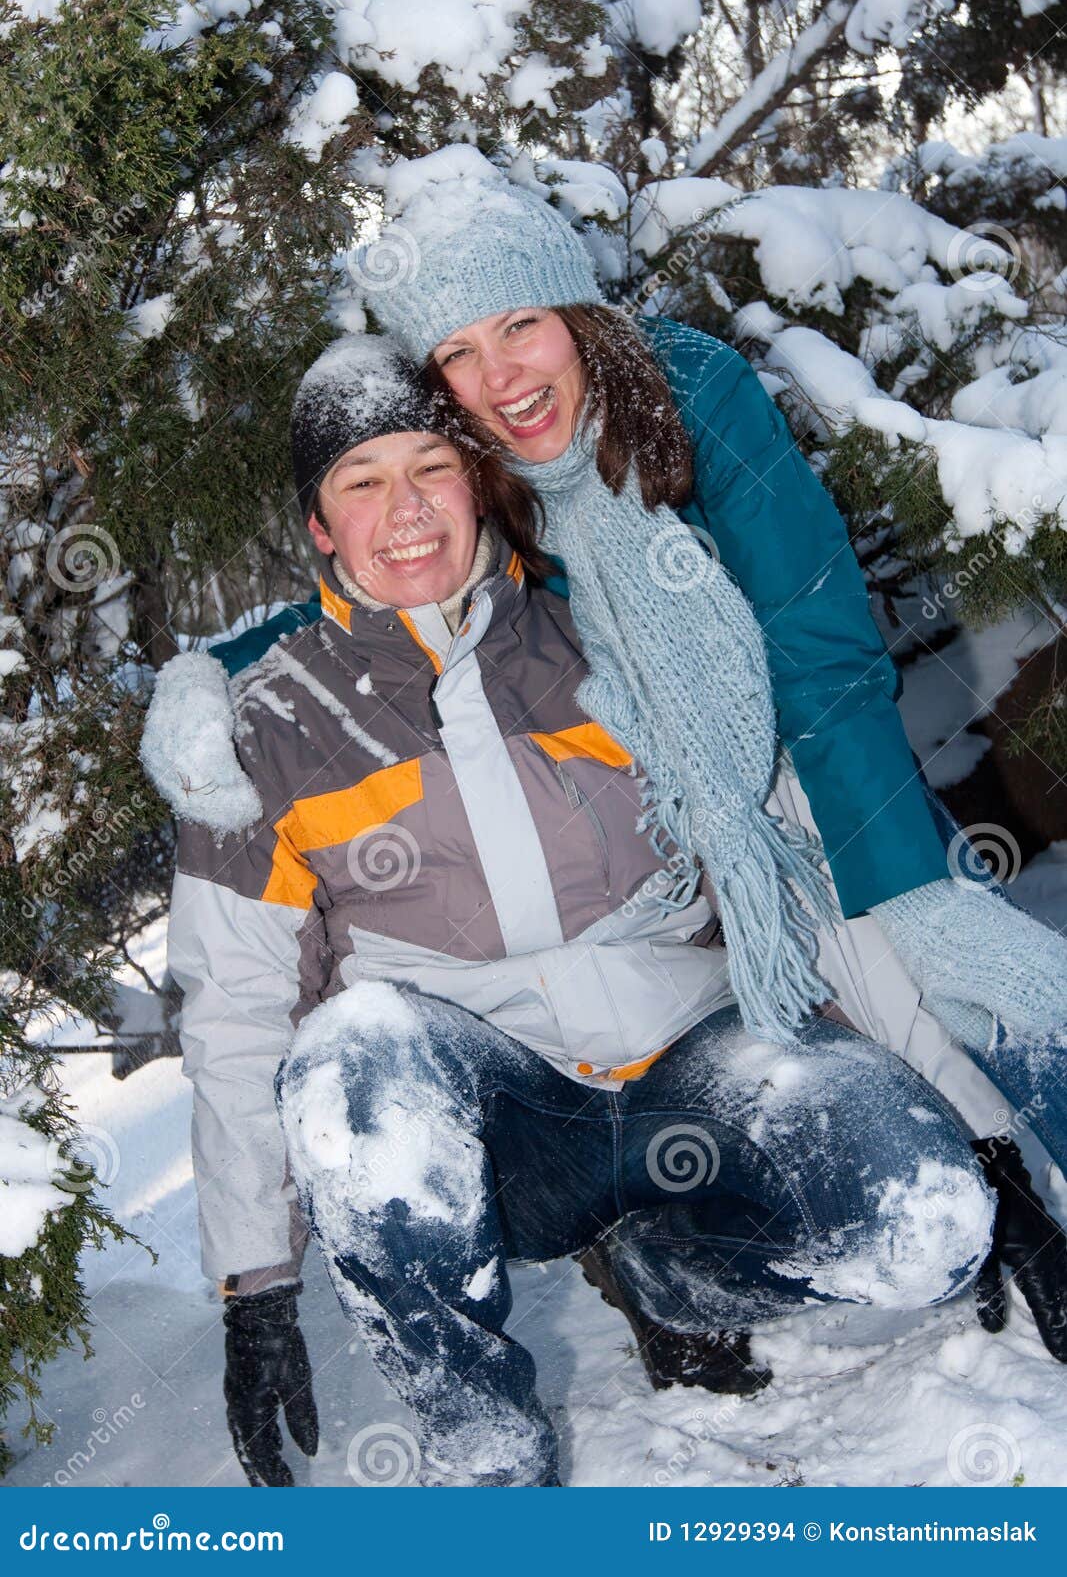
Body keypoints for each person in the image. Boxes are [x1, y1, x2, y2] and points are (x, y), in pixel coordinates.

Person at [142, 335, 999, 1489]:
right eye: (360, 482)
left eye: (430, 468)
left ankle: (677, 1273)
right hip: (502, 1128)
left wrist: (976, 1124)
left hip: (698, 1055)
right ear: (317, 525)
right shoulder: (259, 731)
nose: (405, 510)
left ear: (475, 479)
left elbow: (803, 863)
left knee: (928, 1222)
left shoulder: (614, 639)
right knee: (353, 1048)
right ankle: (490, 1452)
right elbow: (236, 1015)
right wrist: (254, 1284)